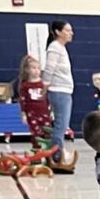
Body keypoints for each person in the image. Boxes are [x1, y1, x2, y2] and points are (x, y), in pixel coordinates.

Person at [41, 19, 75, 159]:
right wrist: (45, 87)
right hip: (59, 91)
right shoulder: (55, 48)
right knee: (61, 125)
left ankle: (56, 154)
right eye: (67, 30)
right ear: (57, 32)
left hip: (64, 91)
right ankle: (56, 156)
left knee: (62, 125)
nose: (71, 33)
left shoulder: (61, 48)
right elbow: (49, 69)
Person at [17, 53, 53, 150]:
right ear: (27, 70)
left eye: (38, 68)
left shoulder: (43, 83)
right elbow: (23, 101)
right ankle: (36, 150)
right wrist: (23, 114)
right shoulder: (25, 85)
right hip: (32, 114)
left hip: (44, 112)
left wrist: (52, 111)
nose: (36, 70)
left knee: (47, 131)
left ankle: (48, 152)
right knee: (35, 133)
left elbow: (48, 98)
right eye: (33, 68)